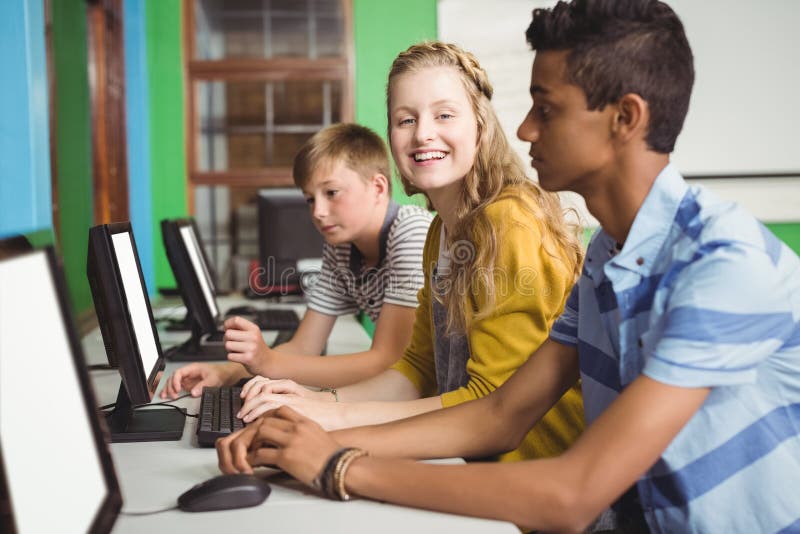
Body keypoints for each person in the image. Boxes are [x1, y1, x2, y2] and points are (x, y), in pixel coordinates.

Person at [216, 1, 800, 532]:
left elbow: (572, 495)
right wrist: (317, 432)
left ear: (625, 117)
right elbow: (502, 413)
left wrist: (339, 463)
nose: (522, 129)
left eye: (546, 109)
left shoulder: (724, 265)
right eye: (404, 119)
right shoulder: (607, 256)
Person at [226, 41, 586, 463]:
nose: (422, 133)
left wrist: (329, 416)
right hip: (467, 458)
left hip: (529, 482)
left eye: (444, 115)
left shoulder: (508, 222)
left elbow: (494, 402)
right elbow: (416, 371)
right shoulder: (440, 231)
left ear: (481, 127)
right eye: (405, 119)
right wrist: (318, 400)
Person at [161, 123, 433, 398]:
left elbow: (388, 360)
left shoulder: (411, 231)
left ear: (377, 187)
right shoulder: (341, 247)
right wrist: (227, 372)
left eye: (331, 192)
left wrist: (268, 361)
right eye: (309, 199)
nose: (318, 212)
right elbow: (303, 347)